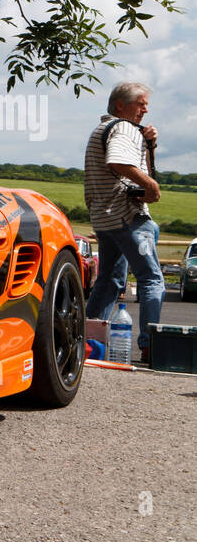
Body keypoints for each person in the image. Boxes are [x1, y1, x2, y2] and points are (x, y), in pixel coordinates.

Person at [84, 81, 163, 362]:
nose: (145, 109)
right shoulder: (123, 128)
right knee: (152, 278)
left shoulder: (102, 128)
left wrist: (149, 144)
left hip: (104, 218)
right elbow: (118, 163)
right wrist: (151, 186)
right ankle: (150, 345)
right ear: (120, 105)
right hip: (127, 215)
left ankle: (87, 341)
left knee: (109, 280)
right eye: (140, 103)